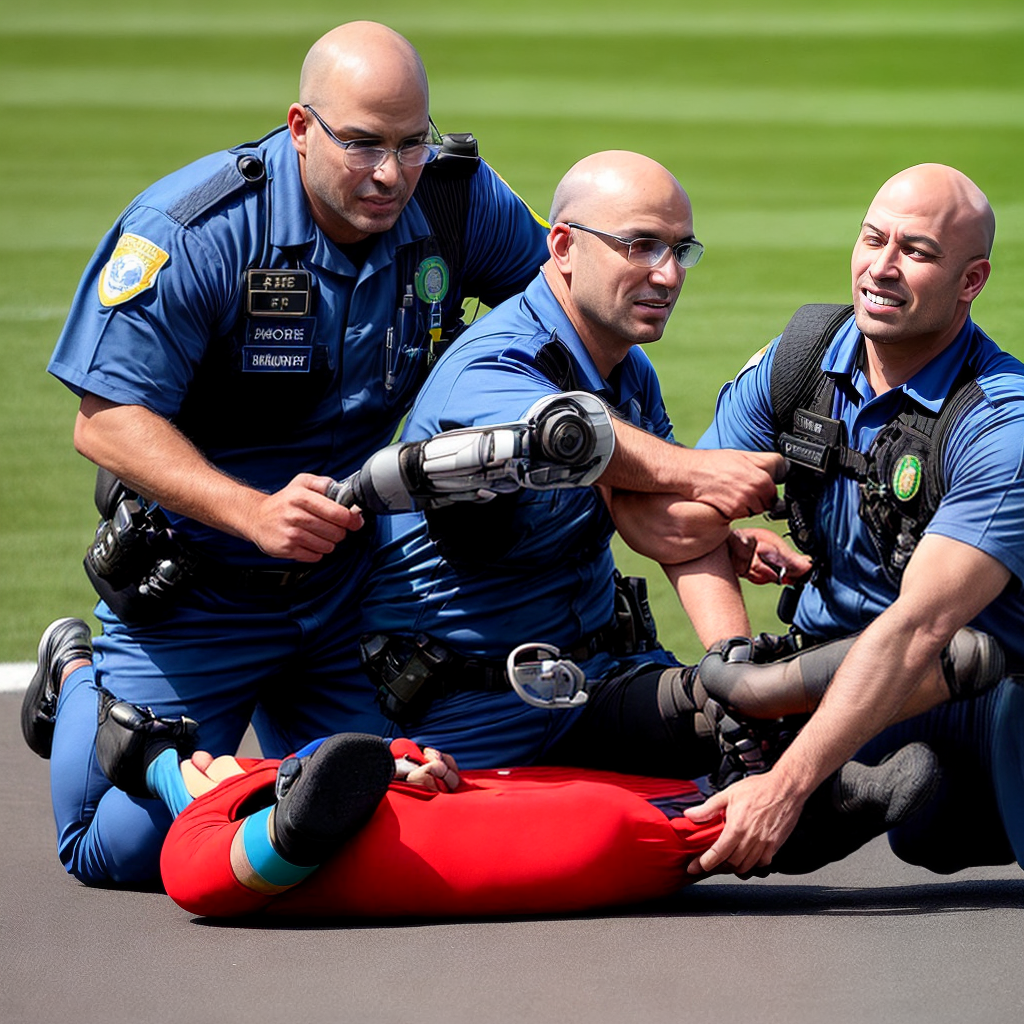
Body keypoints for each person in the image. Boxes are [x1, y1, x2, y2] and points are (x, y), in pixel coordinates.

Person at [23, 20, 555, 887]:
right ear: (301, 127)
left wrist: (662, 477)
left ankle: (285, 754)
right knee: (113, 851)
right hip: (204, 588)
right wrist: (253, 513)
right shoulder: (194, 229)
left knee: (407, 813)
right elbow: (106, 419)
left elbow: (565, 319)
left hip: (356, 588)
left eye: (411, 143)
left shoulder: (456, 200)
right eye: (362, 144)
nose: (391, 174)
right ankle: (76, 667)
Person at [684, 163, 1024, 878]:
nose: (884, 267)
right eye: (874, 239)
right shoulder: (802, 360)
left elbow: (918, 634)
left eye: (918, 252)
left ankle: (906, 803)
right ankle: (862, 789)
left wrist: (783, 784)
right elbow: (685, 509)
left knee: (933, 818)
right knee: (676, 786)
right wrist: (735, 666)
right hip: (824, 669)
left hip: (975, 695)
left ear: (972, 281)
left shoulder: (1000, 422)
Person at [92, 695, 943, 920]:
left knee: (563, 796)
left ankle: (777, 810)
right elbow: (193, 789)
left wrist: (397, 761)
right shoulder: (191, 823)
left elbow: (368, 758)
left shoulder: (214, 783)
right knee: (188, 867)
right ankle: (289, 833)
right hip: (269, 823)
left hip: (395, 802)